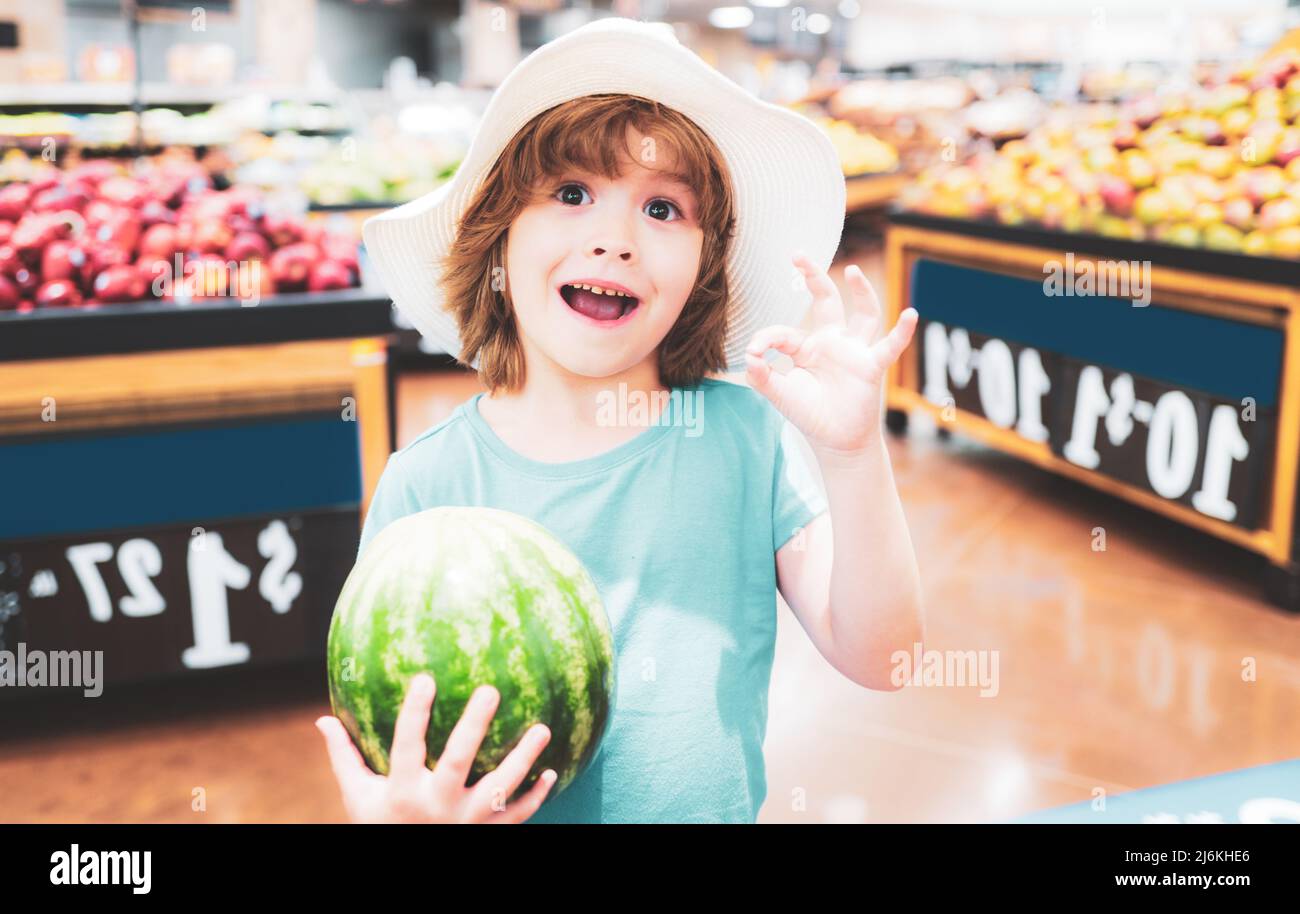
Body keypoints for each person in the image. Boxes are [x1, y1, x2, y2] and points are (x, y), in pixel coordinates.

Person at [316, 17, 922, 824]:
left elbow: (888, 658)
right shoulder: (426, 486)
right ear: (497, 243)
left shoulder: (746, 442)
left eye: (664, 209)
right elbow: (394, 749)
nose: (614, 239)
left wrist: (851, 456)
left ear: (705, 270)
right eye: (571, 194)